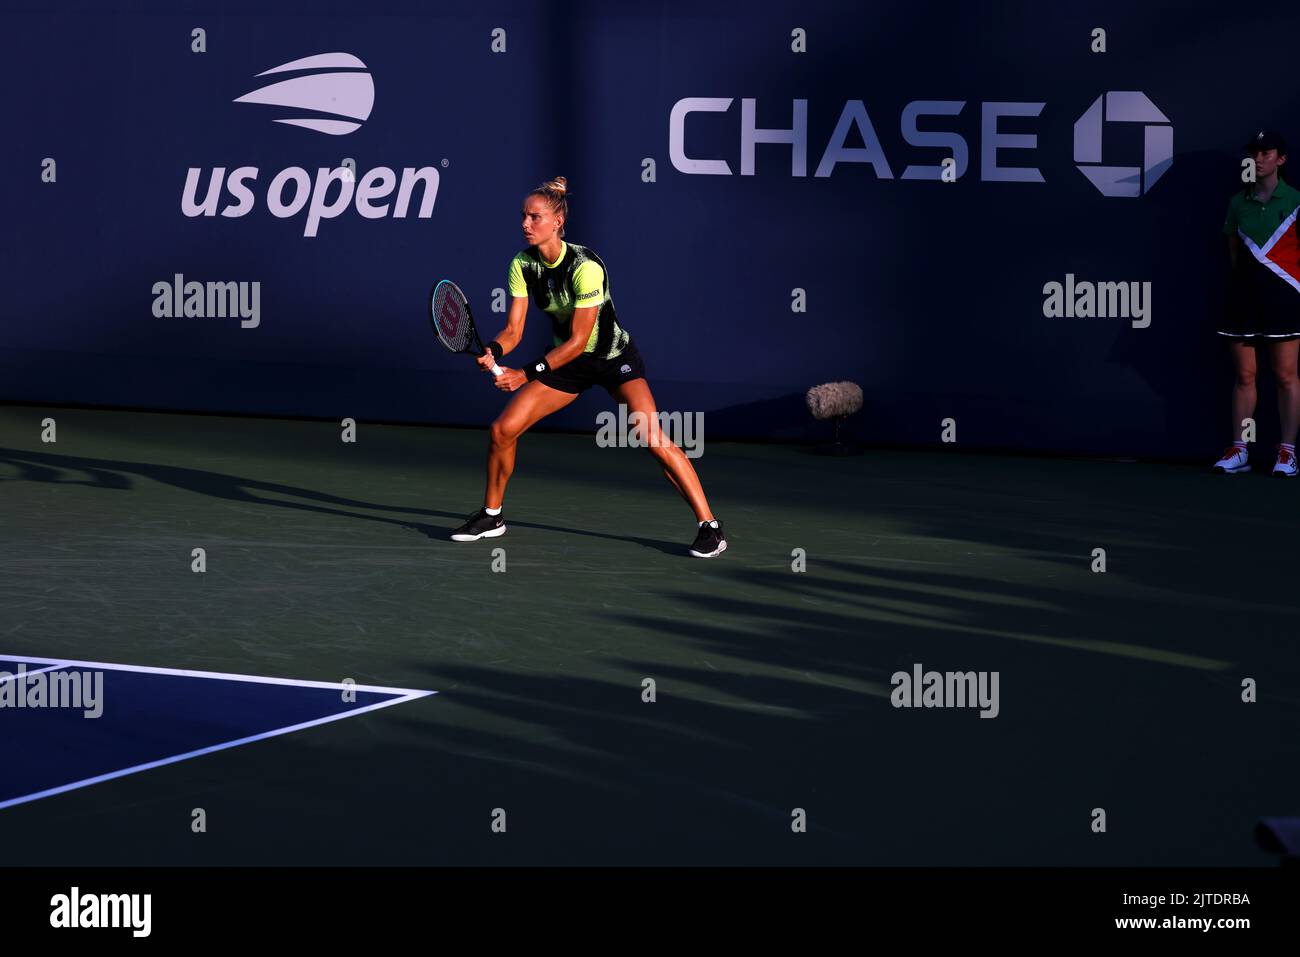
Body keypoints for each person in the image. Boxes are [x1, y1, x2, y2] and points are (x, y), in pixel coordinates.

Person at [448, 176, 728, 557]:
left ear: (557, 220)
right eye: (523, 217)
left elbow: (581, 339)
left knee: (650, 436)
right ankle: (492, 515)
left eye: (535, 217)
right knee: (502, 431)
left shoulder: (585, 266)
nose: (525, 224)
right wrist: (495, 350)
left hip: (612, 359)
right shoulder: (521, 263)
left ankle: (709, 526)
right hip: (566, 365)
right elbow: (514, 330)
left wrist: (525, 374)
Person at [1213, 130, 1300, 477]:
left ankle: (1287, 453)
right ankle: (1241, 448)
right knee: (1246, 375)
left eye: (1266, 153)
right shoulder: (1237, 203)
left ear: (1281, 160)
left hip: (1284, 299)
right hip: (1245, 300)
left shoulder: (1295, 201)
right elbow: (1234, 253)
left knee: (1285, 376)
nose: (1258, 159)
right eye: (1254, 153)